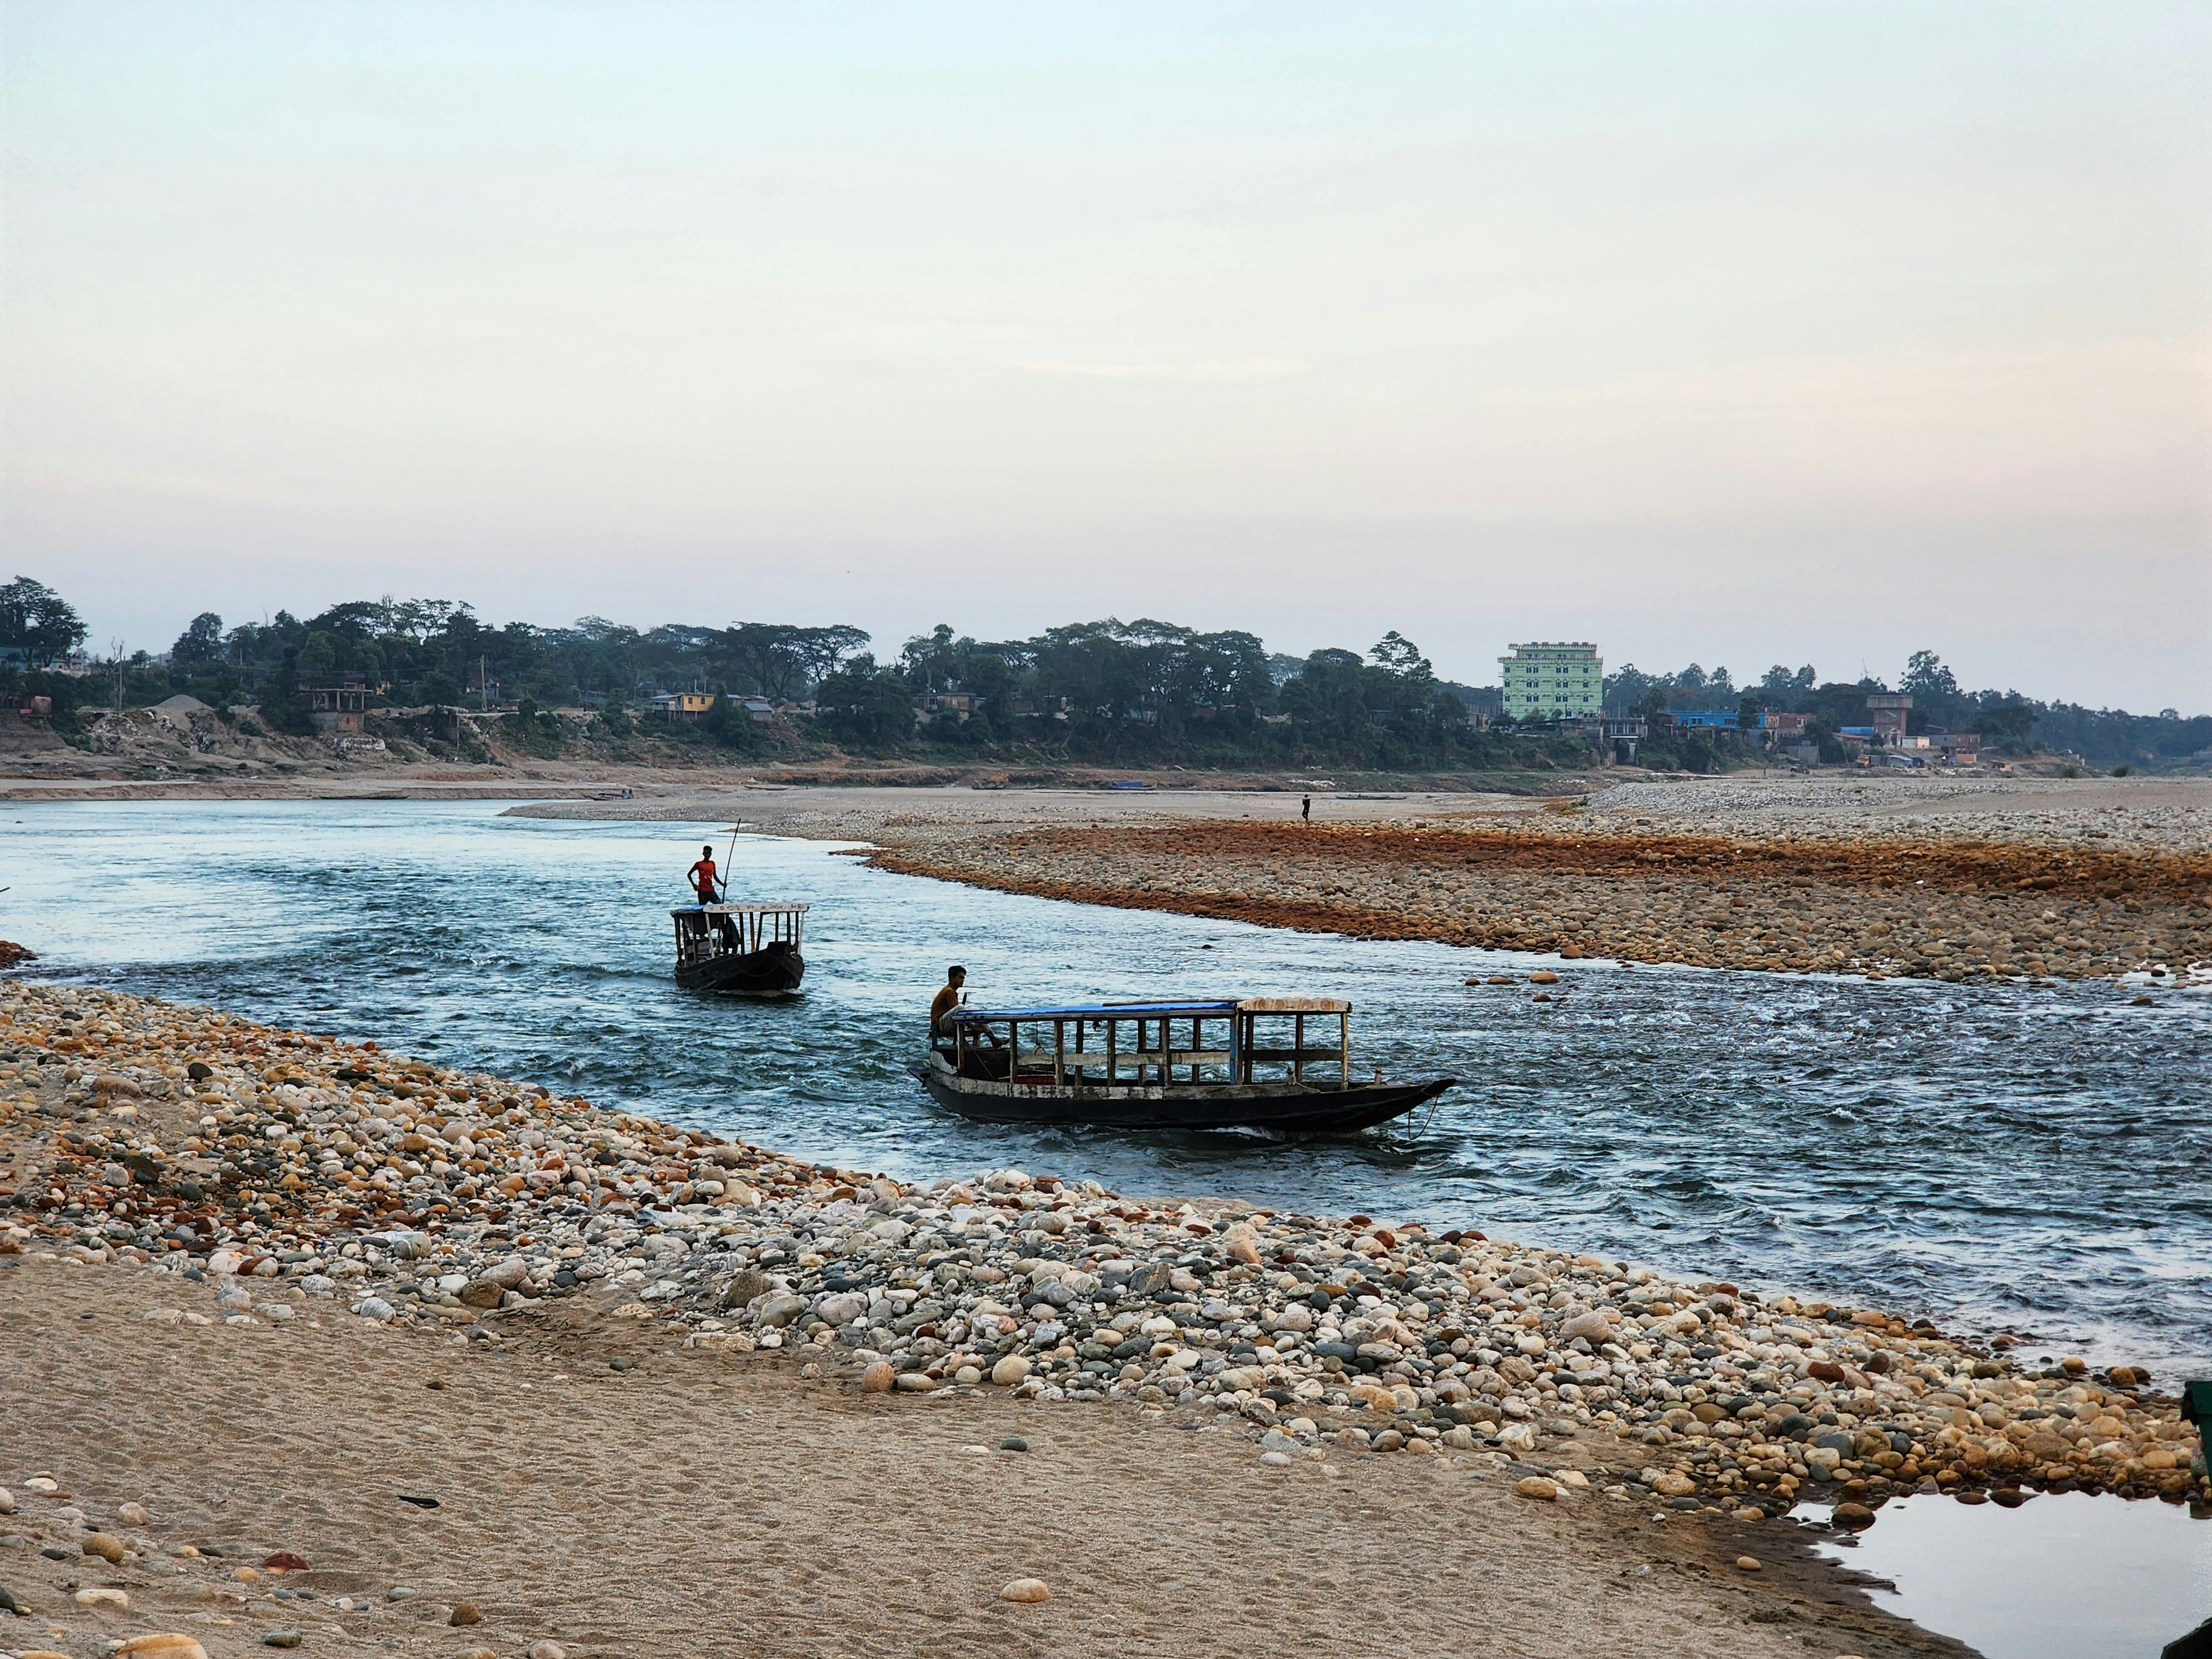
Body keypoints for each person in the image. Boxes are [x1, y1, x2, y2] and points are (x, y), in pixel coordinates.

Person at [930, 966, 967, 1042]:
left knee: (978, 1020)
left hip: (945, 1023)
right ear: (952, 978)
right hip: (939, 1025)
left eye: (963, 978)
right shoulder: (949, 991)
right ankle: (964, 1043)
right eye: (960, 978)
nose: (962, 980)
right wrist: (973, 1026)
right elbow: (958, 1014)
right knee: (961, 1008)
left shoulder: (952, 991)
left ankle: (992, 1038)